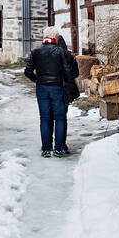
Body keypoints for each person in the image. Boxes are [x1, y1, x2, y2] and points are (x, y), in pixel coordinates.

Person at [24, 28, 79, 158]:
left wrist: (37, 80)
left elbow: (27, 71)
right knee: (59, 118)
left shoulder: (36, 52)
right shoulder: (60, 51)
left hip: (42, 88)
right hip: (57, 88)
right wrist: (65, 81)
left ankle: (46, 149)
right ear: (55, 37)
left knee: (44, 118)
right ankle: (59, 149)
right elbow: (68, 72)